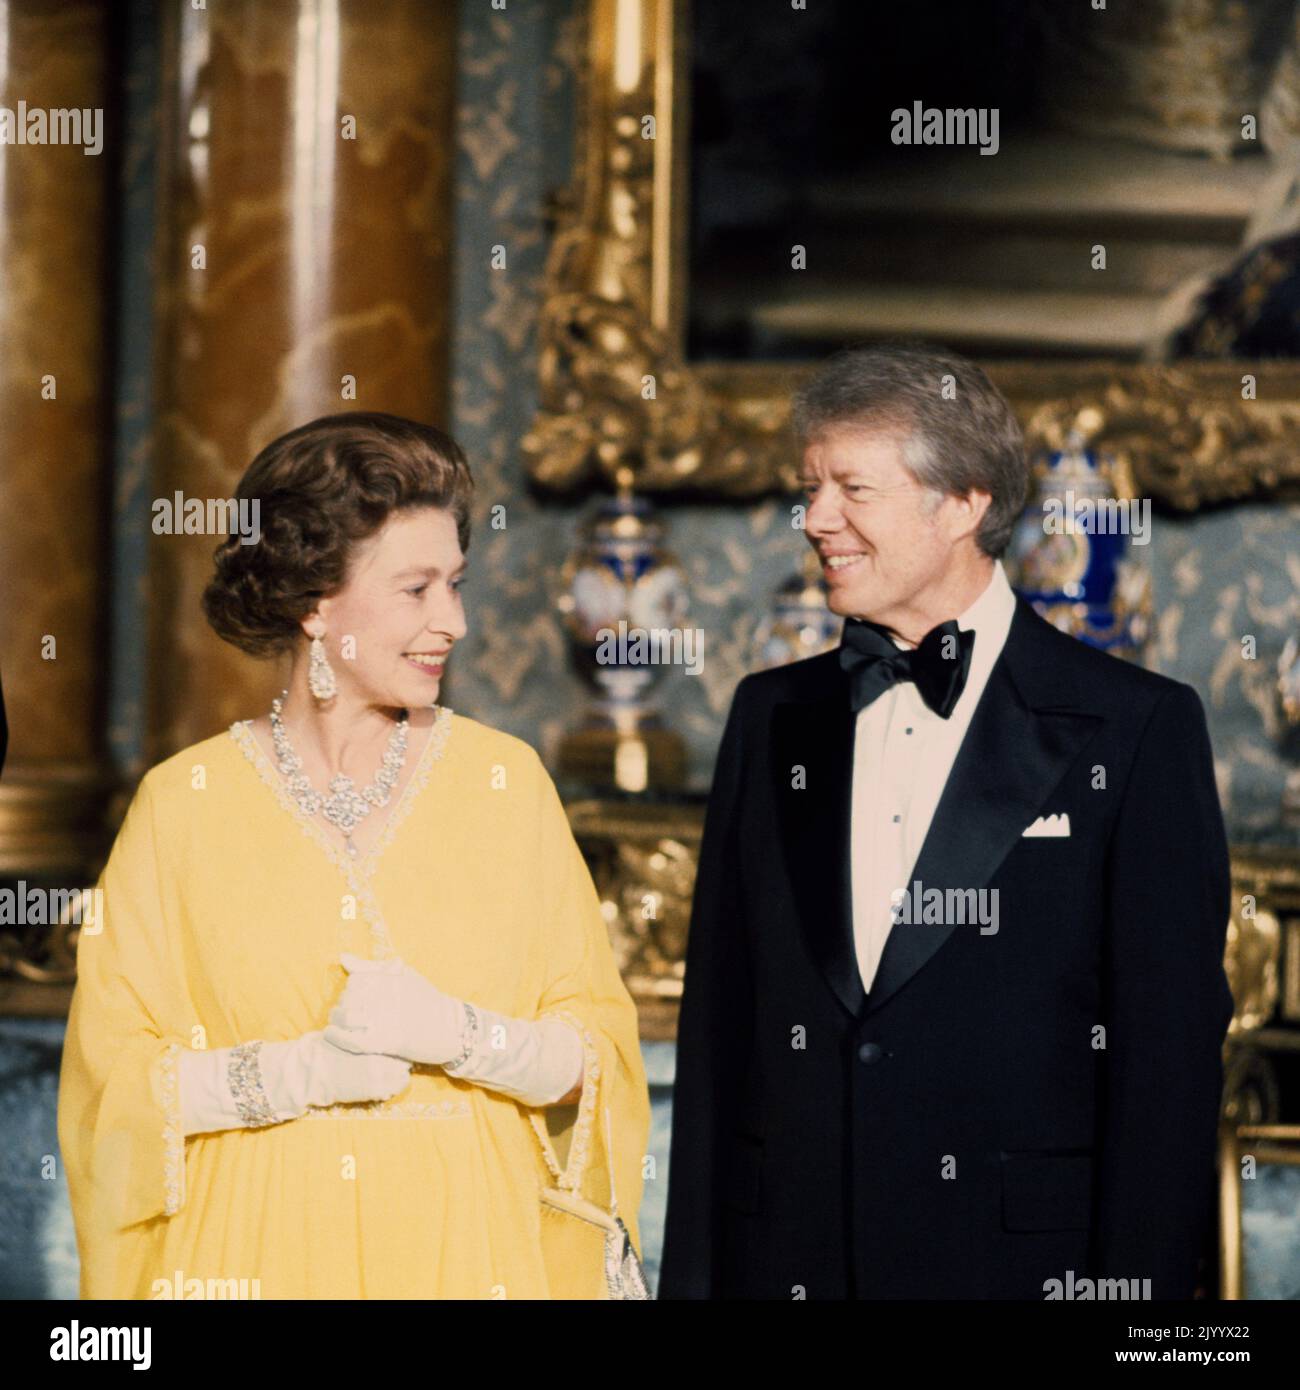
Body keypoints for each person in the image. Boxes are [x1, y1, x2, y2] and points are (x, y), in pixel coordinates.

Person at [658, 341, 1235, 1300]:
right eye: (811, 489)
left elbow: (1165, 1083)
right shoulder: (771, 717)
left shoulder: (1136, 729)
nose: (815, 521)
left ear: (964, 503)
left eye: (851, 489)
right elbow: (719, 1036)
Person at [57, 412, 650, 1299]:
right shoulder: (184, 805)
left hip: (470, 1249)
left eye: (456, 583)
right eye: (416, 589)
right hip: (250, 1254)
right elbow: (111, 1092)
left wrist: (461, 1036)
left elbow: (598, 1062)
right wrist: (298, 1074)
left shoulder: (506, 783)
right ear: (313, 600)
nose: (452, 620)